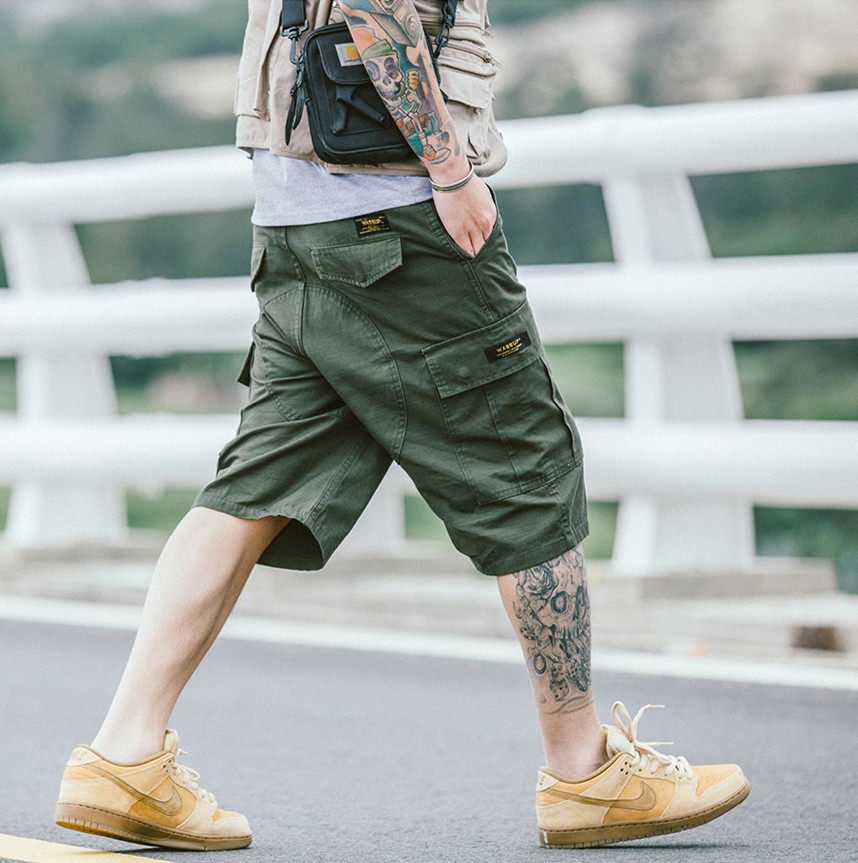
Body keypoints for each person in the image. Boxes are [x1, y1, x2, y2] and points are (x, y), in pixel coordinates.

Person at [55, 0, 749, 851]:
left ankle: (124, 750)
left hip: (294, 226)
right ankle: (586, 773)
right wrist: (450, 170)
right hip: (400, 218)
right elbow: (375, 9)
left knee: (256, 485)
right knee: (524, 470)